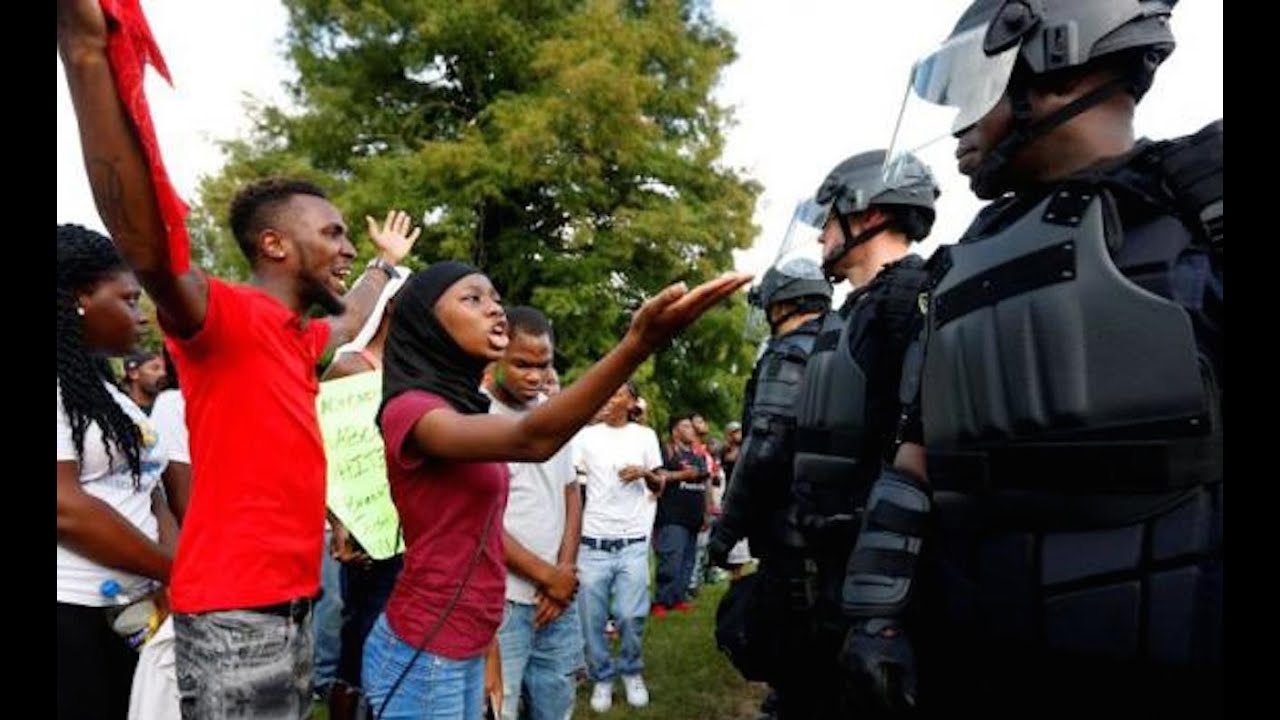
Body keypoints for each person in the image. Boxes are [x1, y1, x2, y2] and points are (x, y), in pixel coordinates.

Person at [840, 0, 1223, 713]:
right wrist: (876, 616)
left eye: (975, 90)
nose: (958, 127)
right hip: (985, 669)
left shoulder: (1201, 202)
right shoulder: (957, 265)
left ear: (1053, 60)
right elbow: (915, 455)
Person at [59, 1, 422, 714]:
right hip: (233, 617)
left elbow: (350, 320)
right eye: (334, 233)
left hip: (292, 607)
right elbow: (146, 243)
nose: (346, 248)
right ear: (275, 245)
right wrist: (88, 57)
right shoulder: (221, 317)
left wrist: (385, 266)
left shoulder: (298, 337)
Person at [363, 261, 749, 719]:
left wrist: (487, 646)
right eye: (473, 299)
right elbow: (532, 439)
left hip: (464, 642)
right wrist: (638, 344)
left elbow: (475, 543)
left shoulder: (461, 409)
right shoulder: (412, 411)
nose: (495, 311)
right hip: (425, 655)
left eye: (495, 299)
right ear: (426, 323)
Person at [780, 149, 940, 718]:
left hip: (884, 572)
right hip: (829, 562)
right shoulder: (850, 312)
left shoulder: (914, 296)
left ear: (866, 215)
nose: (821, 235)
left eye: (828, 219)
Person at [57, 224, 181, 720]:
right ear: (80, 298)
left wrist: (172, 575)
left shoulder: (100, 389)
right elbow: (65, 508)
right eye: (128, 300)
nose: (142, 317)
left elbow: (151, 491)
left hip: (133, 608)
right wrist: (173, 570)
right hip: (73, 616)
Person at [483, 306, 585, 720]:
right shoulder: (476, 417)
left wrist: (564, 569)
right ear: (496, 358)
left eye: (543, 365)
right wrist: (549, 577)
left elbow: (571, 495)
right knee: (500, 707)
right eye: (522, 364)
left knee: (556, 700)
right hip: (504, 600)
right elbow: (481, 522)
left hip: (559, 598)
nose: (534, 376)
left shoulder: (553, 415)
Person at [120, 350, 167, 415]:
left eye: (164, 369)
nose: (163, 373)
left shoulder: (169, 404)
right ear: (133, 374)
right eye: (155, 368)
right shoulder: (124, 410)